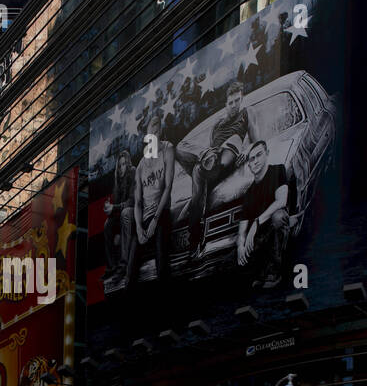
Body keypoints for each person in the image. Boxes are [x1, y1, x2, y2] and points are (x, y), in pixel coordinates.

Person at [187, 81, 257, 263]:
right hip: (212, 165)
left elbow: (258, 142)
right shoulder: (216, 125)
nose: (234, 105)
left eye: (237, 101)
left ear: (242, 100)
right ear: (225, 104)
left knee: (200, 172)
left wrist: (247, 150)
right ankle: (196, 236)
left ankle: (195, 236)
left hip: (230, 158)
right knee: (192, 164)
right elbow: (212, 150)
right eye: (231, 102)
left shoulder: (246, 114)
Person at [124, 113, 176, 286]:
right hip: (144, 219)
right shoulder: (140, 166)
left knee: (162, 264)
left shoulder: (168, 149)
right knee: (130, 273)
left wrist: (155, 220)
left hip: (161, 214)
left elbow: (168, 187)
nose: (155, 131)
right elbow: (138, 202)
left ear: (160, 132)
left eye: (157, 128)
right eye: (151, 129)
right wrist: (139, 228)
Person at [235, 140, 292, 289]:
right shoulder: (249, 193)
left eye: (258, 155)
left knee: (278, 217)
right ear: (248, 164)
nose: (255, 161)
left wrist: (256, 223)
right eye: (251, 159)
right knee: (237, 259)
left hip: (276, 225)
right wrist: (241, 245)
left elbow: (281, 201)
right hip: (262, 234)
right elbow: (241, 231)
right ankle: (261, 272)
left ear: (267, 154)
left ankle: (274, 272)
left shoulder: (278, 170)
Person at [103, 151, 136, 287]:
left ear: (128, 165)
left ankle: (123, 266)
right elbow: (116, 204)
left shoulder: (133, 172)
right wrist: (109, 208)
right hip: (121, 213)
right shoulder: (117, 180)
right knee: (107, 224)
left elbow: (132, 201)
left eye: (124, 164)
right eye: (120, 165)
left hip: (134, 210)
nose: (122, 168)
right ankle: (112, 267)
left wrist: (114, 207)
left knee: (125, 213)